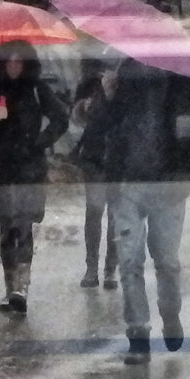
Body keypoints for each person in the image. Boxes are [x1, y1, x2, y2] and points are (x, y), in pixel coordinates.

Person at [97, 58, 190, 364]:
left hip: (169, 186)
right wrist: (107, 97)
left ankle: (170, 313)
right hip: (127, 185)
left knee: (167, 262)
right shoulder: (125, 72)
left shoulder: (183, 79)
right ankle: (138, 334)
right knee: (129, 261)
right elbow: (103, 129)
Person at [0, 40, 70, 315]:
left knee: (23, 226)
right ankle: (10, 289)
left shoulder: (37, 89)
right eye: (9, 61)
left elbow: (61, 118)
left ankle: (21, 288)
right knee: (7, 229)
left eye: (19, 61)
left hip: (29, 170)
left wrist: (40, 142)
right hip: (2, 169)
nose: (13, 66)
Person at [71, 62, 121, 289]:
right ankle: (91, 268)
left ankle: (111, 269)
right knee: (94, 210)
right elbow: (77, 119)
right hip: (95, 157)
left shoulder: (127, 84)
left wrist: (112, 97)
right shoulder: (89, 84)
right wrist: (84, 106)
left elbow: (131, 117)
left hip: (119, 158)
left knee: (115, 215)